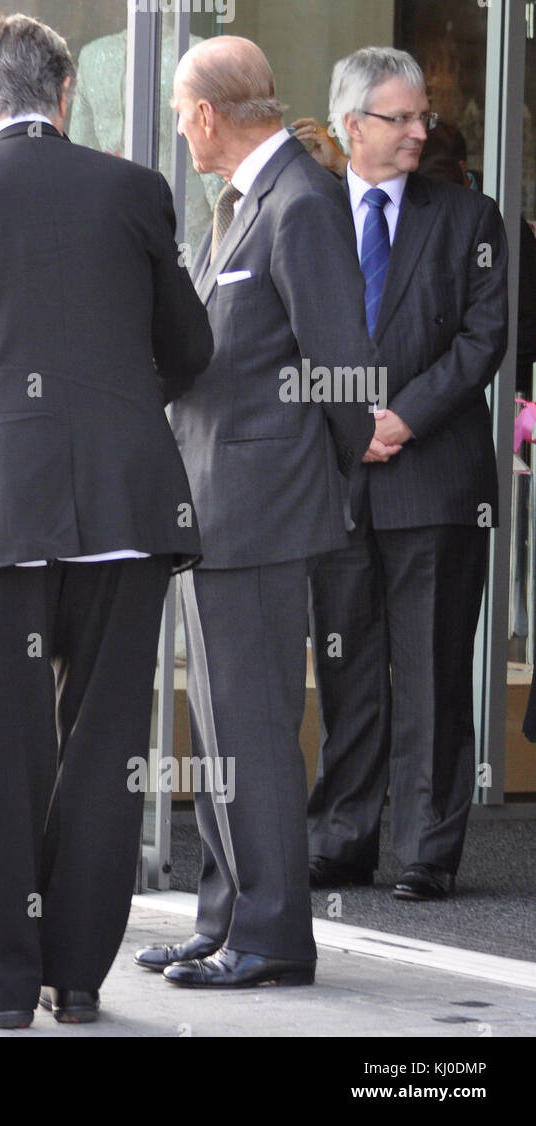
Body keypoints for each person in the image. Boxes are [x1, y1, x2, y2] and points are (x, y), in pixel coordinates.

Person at [0, 12, 211, 1028]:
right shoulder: (135, 190)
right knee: (103, 750)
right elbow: (189, 350)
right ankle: (75, 979)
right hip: (125, 509)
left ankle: (0, 984)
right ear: (64, 96)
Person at [136, 36, 376, 989]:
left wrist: (329, 481)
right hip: (215, 506)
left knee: (255, 731)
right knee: (220, 728)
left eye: (178, 115)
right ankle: (224, 918)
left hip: (263, 510)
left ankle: (274, 938)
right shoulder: (240, 205)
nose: (178, 131)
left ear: (205, 115)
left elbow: (346, 367)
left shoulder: (302, 204)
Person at [306, 48, 508, 902]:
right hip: (336, 482)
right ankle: (342, 838)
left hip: (435, 480)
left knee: (429, 670)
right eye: (403, 117)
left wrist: (401, 418)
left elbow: (481, 343)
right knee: (348, 666)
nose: (423, 129)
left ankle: (428, 848)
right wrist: (350, 424)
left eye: (424, 116)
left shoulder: (471, 219)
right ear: (354, 126)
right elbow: (281, 338)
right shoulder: (306, 215)